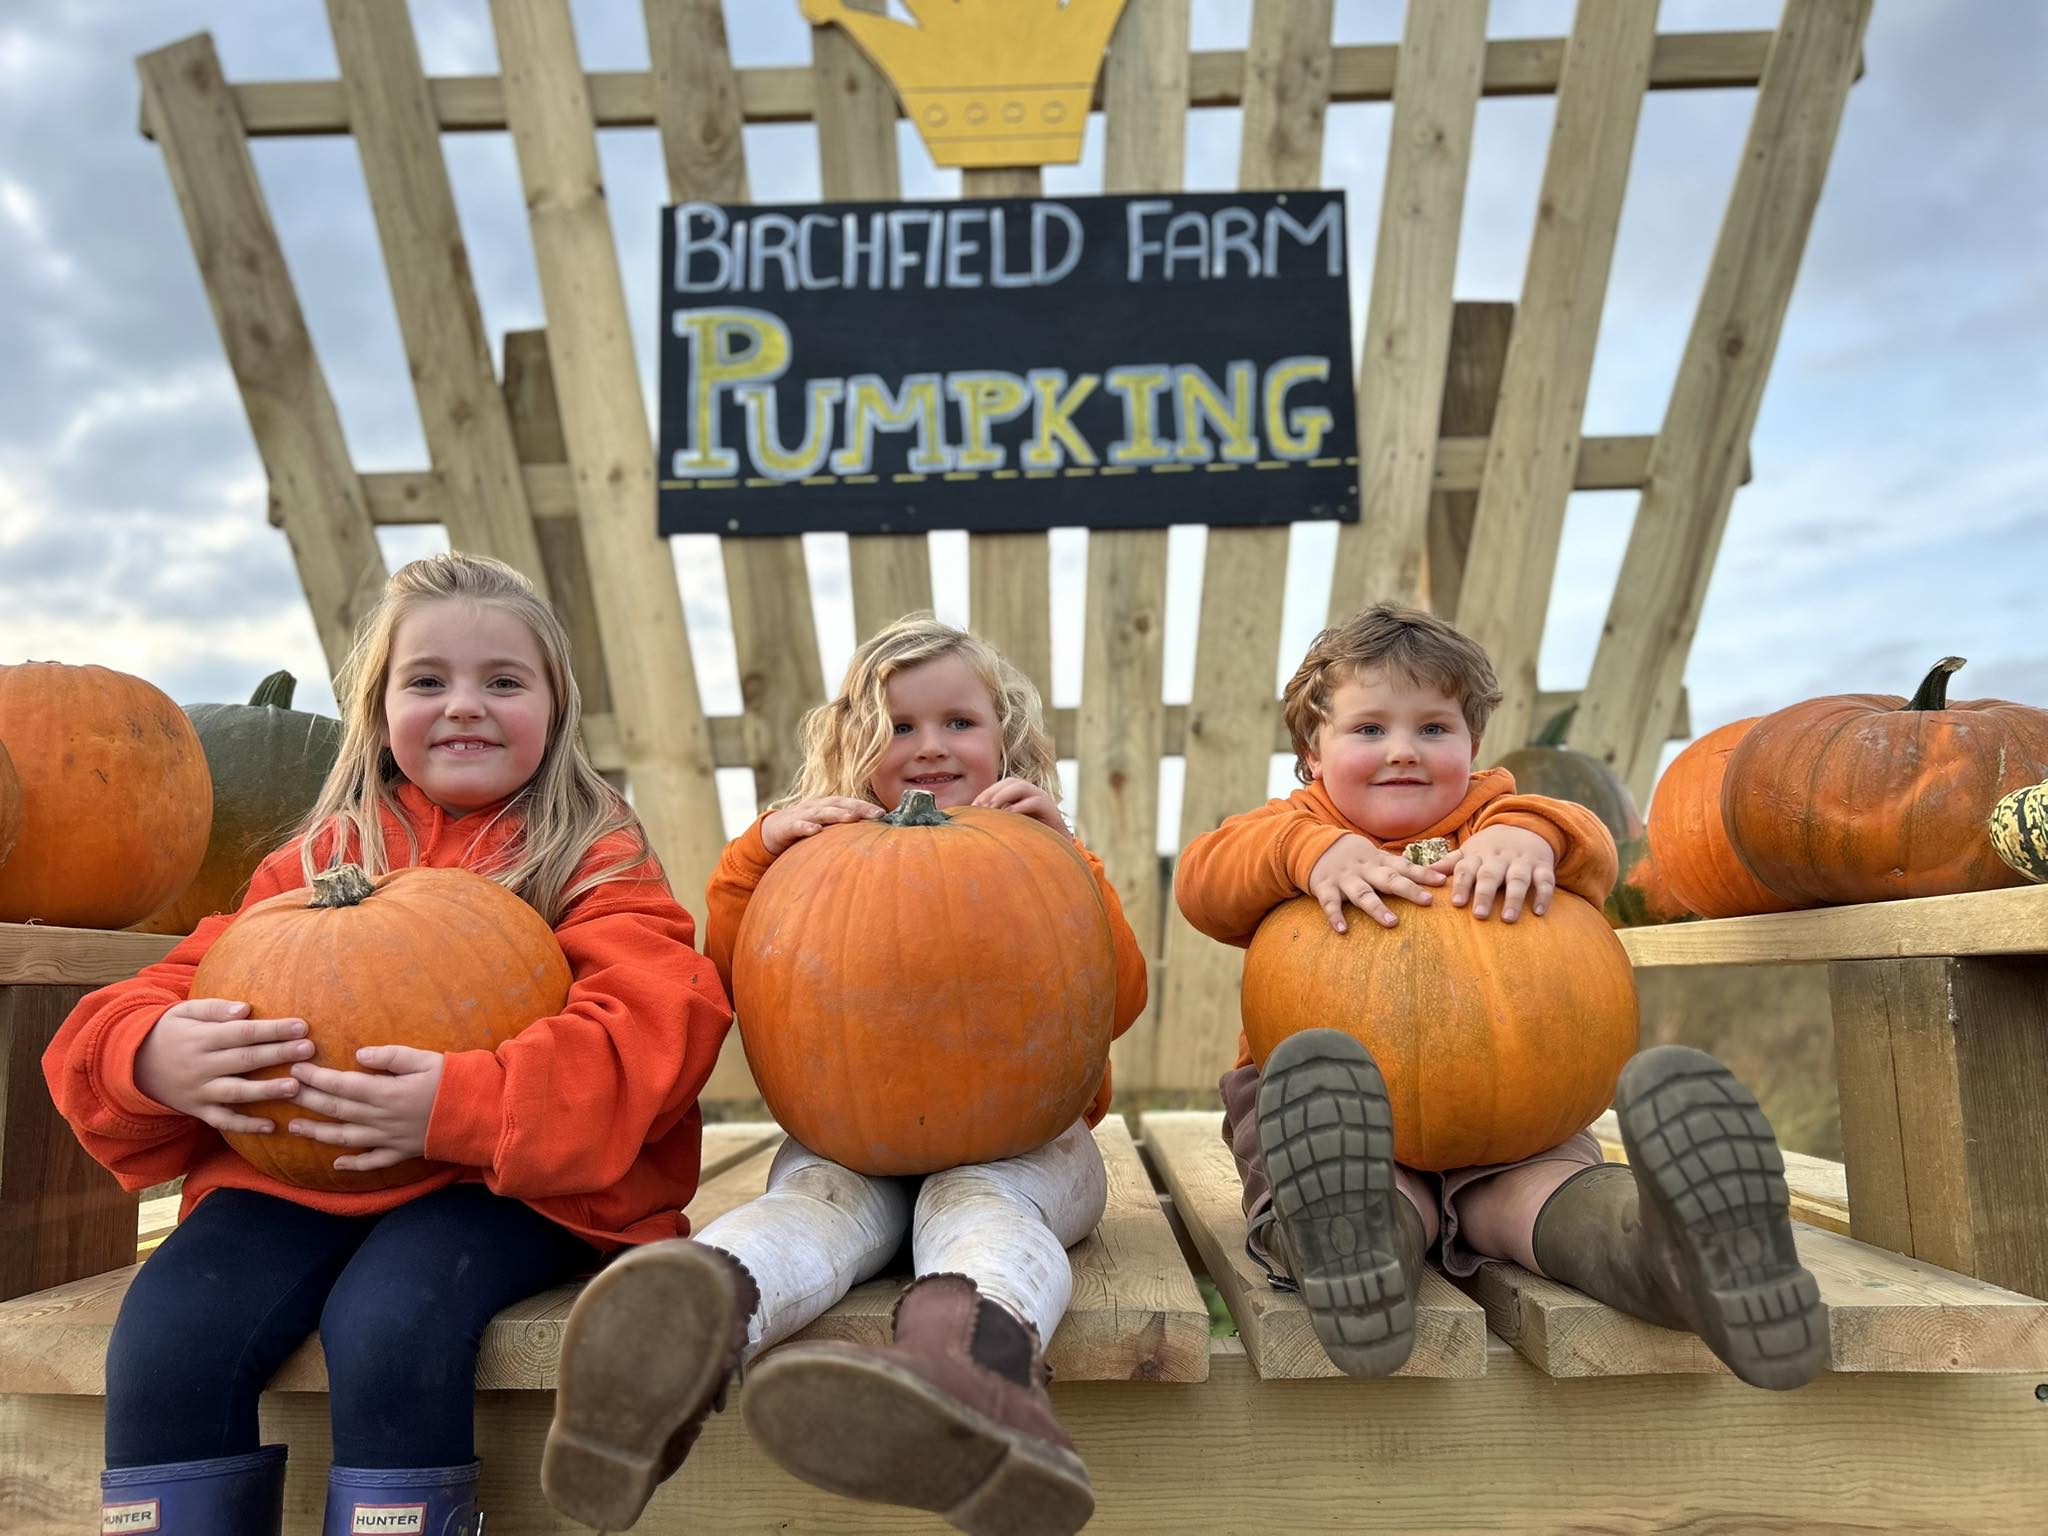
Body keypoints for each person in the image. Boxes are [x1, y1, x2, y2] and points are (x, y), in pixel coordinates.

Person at [46, 553, 731, 1535]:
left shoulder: (589, 852)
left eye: (503, 681)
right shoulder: (320, 857)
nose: (465, 706)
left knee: (391, 1320)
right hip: (297, 1180)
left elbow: (652, 1025)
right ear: (377, 709)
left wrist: (461, 1105)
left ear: (555, 705)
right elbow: (177, 981)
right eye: (427, 681)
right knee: (167, 1336)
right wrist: (146, 1053)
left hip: (503, 1187)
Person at [543, 613, 1146, 1536]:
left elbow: (1118, 998)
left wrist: (1070, 857)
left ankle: (967, 1378)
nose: (931, 747)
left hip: (1028, 1144)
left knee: (976, 1207)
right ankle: (678, 1335)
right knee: (808, 1211)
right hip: (847, 1142)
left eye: (958, 723)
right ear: (857, 744)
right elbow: (745, 972)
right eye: (900, 727)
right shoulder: (819, 850)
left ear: (1005, 736)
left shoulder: (1041, 848)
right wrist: (758, 855)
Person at [1174, 602, 1827, 1389]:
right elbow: (1203, 880)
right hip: (1334, 1113)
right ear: (1314, 751)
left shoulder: (1497, 813)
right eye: (1369, 730)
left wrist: (1530, 836)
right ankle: (1348, 1250)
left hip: (1521, 1111)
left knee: (1541, 1197)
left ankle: (1675, 1257)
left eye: (1434, 729)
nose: (1404, 752)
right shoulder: (1294, 830)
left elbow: (1588, 841)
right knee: (1362, 1191)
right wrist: (1312, 853)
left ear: (1472, 744)